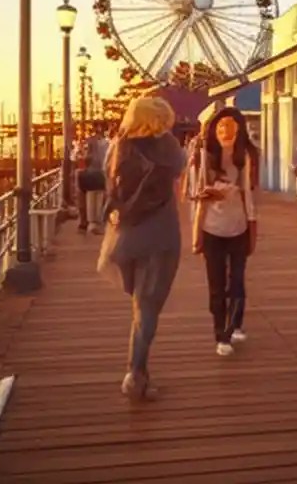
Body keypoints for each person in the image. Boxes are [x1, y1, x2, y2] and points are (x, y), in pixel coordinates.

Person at [99, 96, 185, 402]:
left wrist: (115, 211)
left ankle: (140, 372)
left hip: (123, 236)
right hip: (159, 235)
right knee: (147, 307)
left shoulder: (117, 146)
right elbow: (175, 173)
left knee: (139, 303)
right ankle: (135, 374)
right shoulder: (168, 147)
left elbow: (109, 187)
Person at [190, 107, 257, 357]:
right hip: (212, 228)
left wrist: (253, 227)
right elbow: (195, 193)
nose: (225, 132)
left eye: (229, 127)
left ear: (238, 130)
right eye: (220, 127)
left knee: (237, 282)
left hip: (238, 227)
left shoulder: (244, 158)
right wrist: (208, 195)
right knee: (216, 285)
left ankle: (235, 323)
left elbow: (249, 195)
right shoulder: (206, 156)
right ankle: (221, 334)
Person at [78, 126, 110, 234]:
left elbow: (83, 157)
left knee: (90, 197)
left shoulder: (89, 142)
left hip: (90, 173)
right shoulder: (107, 143)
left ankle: (91, 222)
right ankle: (97, 222)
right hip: (101, 173)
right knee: (99, 197)